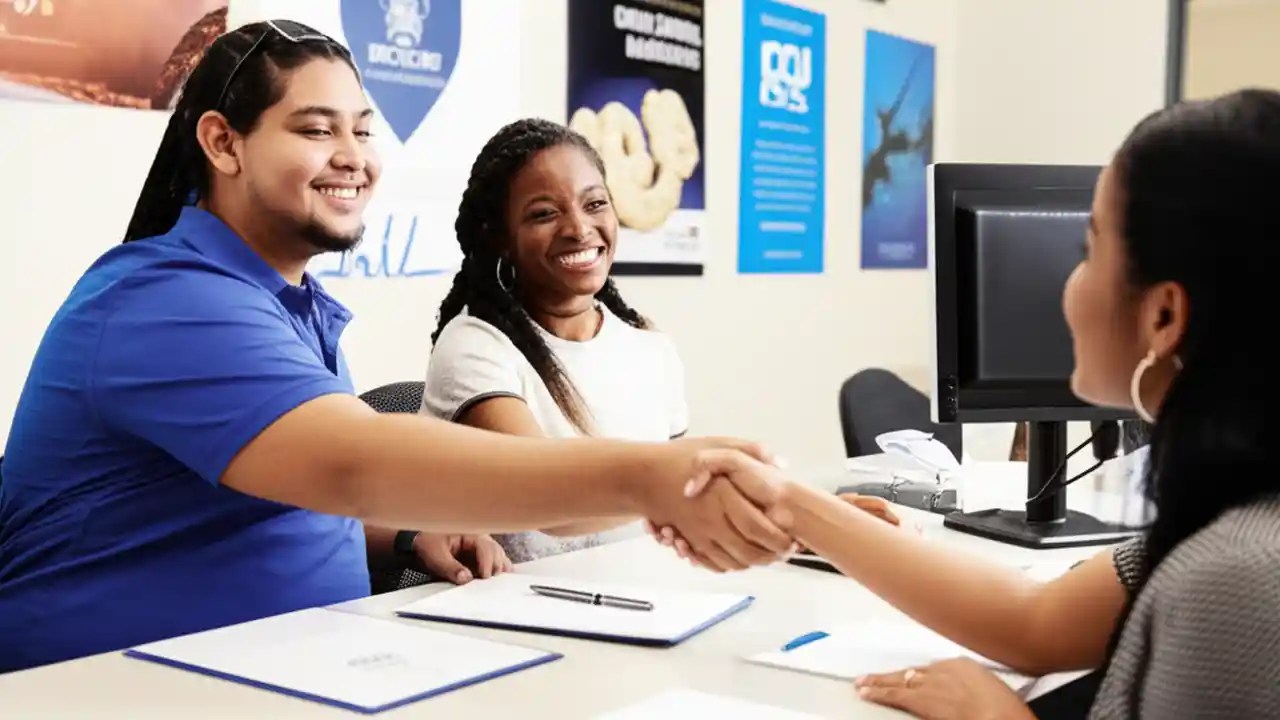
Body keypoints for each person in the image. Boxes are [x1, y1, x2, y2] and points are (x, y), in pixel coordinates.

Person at [0, 20, 792, 674]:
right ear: (222, 142)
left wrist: (402, 535)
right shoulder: (168, 301)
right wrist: (655, 475)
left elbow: (266, 499)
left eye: (363, 130)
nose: (354, 155)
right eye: (316, 129)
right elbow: (353, 463)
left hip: (291, 663)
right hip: (110, 683)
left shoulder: (285, 305)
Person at [668, 88, 1280, 718]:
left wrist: (997, 717)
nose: (1069, 283)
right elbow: (1032, 622)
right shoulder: (1228, 527)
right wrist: (789, 501)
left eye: (1088, 251)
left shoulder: (1236, 578)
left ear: (1165, 314)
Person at [420, 118, 905, 563]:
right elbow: (549, 500)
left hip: (640, 612)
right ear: (499, 236)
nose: (579, 228)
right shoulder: (474, 346)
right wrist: (789, 509)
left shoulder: (650, 349)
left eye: (595, 203)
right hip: (507, 625)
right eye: (545, 213)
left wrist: (810, 522)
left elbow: (685, 501)